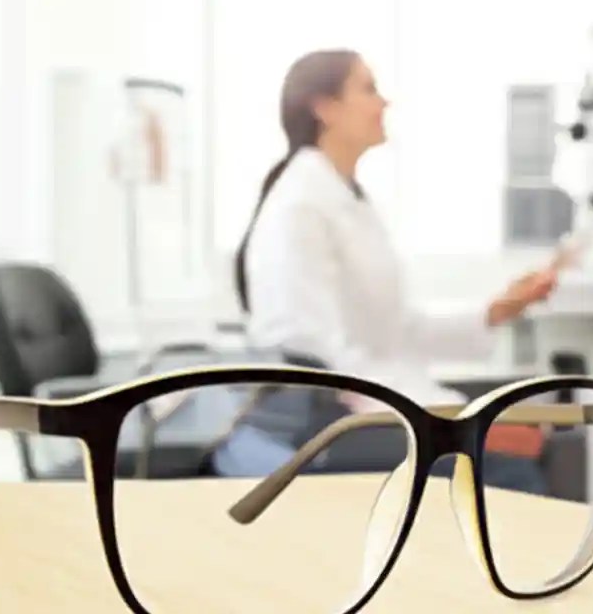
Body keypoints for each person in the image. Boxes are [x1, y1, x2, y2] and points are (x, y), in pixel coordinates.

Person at [212, 49, 559, 492]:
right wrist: (455, 426)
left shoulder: (347, 199)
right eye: (368, 89)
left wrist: (498, 311)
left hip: (381, 406)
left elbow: (396, 332)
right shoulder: (300, 205)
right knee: (509, 473)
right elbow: (318, 355)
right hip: (341, 423)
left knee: (533, 443)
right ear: (325, 107)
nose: (384, 103)